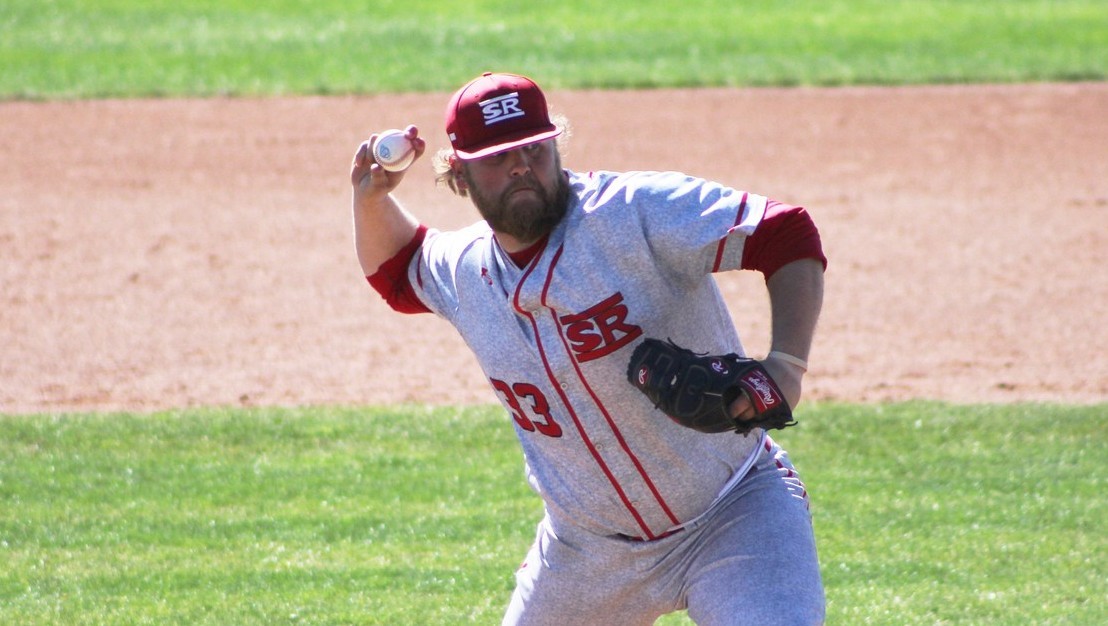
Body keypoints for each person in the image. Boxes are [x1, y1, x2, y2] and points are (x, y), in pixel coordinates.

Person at [350, 72, 826, 625]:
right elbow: (399, 270)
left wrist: (787, 365)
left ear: (557, 145)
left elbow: (785, 233)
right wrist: (371, 198)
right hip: (586, 551)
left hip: (735, 511)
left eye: (534, 148)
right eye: (498, 157)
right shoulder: (465, 270)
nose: (521, 166)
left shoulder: (633, 211)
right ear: (459, 172)